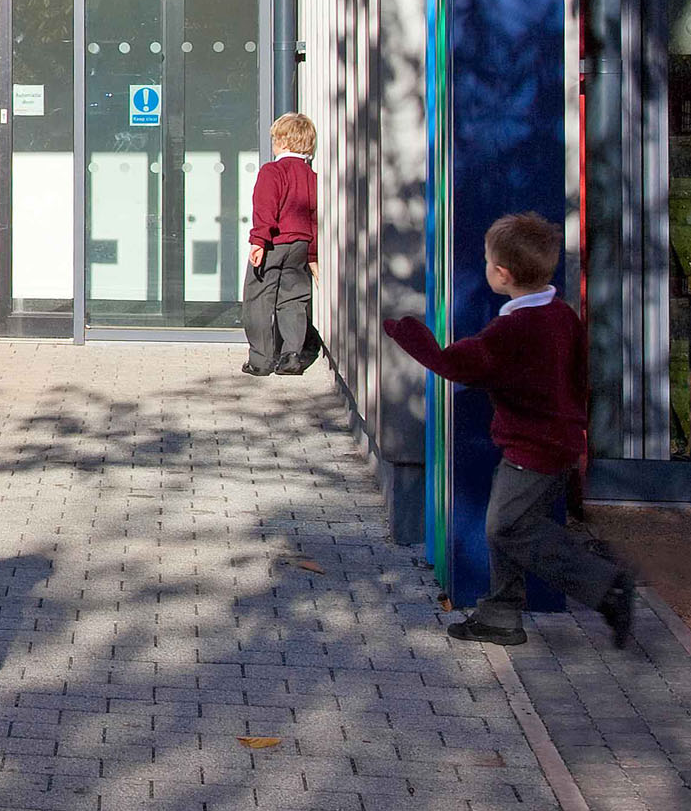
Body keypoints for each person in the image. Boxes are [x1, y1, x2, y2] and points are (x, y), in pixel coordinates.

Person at [384, 213, 636, 649]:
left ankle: (605, 584)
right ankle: (500, 616)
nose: (485, 267)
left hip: (533, 448)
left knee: (507, 529)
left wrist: (407, 334)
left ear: (502, 273)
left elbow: (457, 363)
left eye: (486, 261)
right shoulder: (560, 315)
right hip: (555, 440)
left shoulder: (514, 328)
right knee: (513, 525)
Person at [242, 112, 322, 376]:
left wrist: (258, 241)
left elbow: (265, 208)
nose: (273, 143)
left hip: (274, 242)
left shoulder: (272, 171)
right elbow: (313, 217)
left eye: (276, 139)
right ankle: (291, 357)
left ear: (284, 142)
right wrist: (312, 255)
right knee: (293, 298)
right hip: (300, 243)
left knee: (259, 299)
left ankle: (261, 360)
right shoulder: (311, 176)